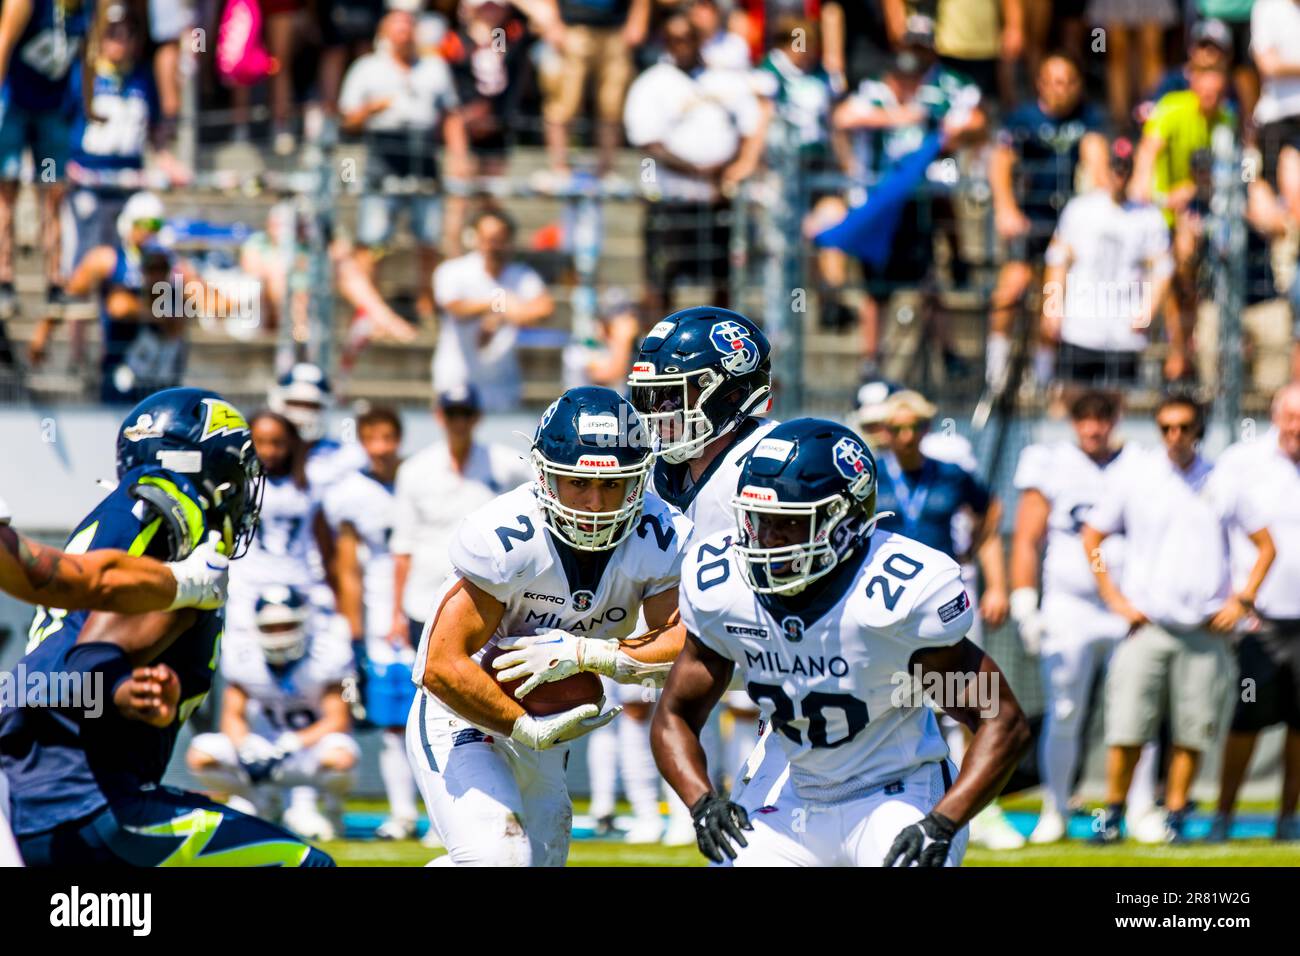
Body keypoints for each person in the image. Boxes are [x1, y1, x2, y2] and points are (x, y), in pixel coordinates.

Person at [651, 417, 1031, 866]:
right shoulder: (725, 588)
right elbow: (674, 716)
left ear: (844, 520)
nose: (766, 542)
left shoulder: (893, 599)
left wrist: (943, 821)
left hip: (894, 791)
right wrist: (702, 803)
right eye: (757, 521)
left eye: (787, 523)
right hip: (791, 785)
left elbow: (1000, 721)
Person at [0, 387, 332, 866]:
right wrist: (122, 688)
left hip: (32, 785)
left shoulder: (113, 517)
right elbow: (90, 655)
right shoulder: (181, 519)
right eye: (237, 473)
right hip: (84, 797)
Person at [404, 386, 693, 865]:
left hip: (544, 726)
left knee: (535, 861)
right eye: (578, 483)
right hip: (460, 714)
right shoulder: (506, 536)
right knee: (502, 855)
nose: (595, 503)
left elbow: (683, 641)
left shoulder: (660, 535)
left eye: (612, 484)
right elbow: (441, 665)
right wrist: (522, 726)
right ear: (543, 476)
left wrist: (593, 655)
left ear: (639, 480)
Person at [1083, 394, 1275, 842]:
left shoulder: (1222, 481)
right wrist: (1111, 594)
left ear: (1198, 429)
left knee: (1193, 727)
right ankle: (1113, 814)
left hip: (1204, 630)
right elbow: (1092, 538)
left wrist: (1242, 600)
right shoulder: (1138, 478)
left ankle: (1175, 814)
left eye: (1184, 427)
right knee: (1127, 724)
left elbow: (1267, 546)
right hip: (1146, 625)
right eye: (1167, 427)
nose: (1175, 435)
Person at [627, 305, 778, 843]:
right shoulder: (654, 470)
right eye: (653, 397)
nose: (660, 411)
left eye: (677, 394)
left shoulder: (768, 466)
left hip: (792, 678)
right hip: (704, 661)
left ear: (730, 391)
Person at [1009, 390, 1160, 843]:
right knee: (1065, 709)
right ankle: (1054, 807)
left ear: (1118, 417)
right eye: (1084, 419)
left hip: (1127, 608)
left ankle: (1140, 807)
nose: (1093, 428)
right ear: (1072, 422)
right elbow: (1026, 537)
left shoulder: (1141, 464)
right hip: (1069, 607)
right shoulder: (1050, 463)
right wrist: (1024, 601)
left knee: (1137, 711)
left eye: (1102, 418)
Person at [187, 585, 358, 842]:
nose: (279, 635)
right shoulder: (243, 657)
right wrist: (245, 746)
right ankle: (259, 803)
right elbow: (231, 715)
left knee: (341, 755)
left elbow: (339, 719)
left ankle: (332, 810)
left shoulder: (328, 654)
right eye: (270, 627)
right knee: (201, 752)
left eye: (286, 625)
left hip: (307, 752)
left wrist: (294, 743)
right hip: (262, 747)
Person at [326, 405, 425, 840]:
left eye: (389, 437)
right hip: (382, 616)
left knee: (436, 717)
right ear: (363, 442)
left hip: (426, 605)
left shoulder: (420, 478)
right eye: (374, 438)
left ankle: (440, 814)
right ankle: (402, 813)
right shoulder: (351, 493)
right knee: (391, 723)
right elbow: (348, 567)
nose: (382, 448)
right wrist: (356, 629)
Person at [1207, 383, 1300, 842]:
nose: (1297, 427)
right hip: (1258, 624)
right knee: (1246, 717)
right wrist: (1234, 596)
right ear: (1275, 415)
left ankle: (1288, 818)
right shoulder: (1242, 462)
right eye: (1291, 416)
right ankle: (1223, 814)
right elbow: (1211, 530)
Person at [623, 13, 764, 316]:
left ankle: (719, 348)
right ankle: (661, 349)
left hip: (718, 201)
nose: (682, 46)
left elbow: (750, 127)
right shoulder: (652, 83)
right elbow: (648, 142)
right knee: (661, 280)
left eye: (688, 38)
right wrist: (699, 171)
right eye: (674, 40)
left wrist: (731, 167)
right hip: (671, 202)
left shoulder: (725, 80)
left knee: (725, 278)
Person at [987, 51, 1108, 391]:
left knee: (1053, 298)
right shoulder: (1021, 118)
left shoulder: (1090, 118)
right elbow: (1000, 162)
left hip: (1069, 226)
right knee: (1012, 287)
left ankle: (1043, 375)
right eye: (1055, 81)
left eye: (1069, 81)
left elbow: (1096, 156)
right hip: (1030, 218)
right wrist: (1006, 208)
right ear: (1040, 84)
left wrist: (1096, 202)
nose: (1062, 88)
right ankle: (995, 369)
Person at [339, 7, 468, 321]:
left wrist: (459, 155)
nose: (403, 34)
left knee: (429, 235)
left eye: (408, 27)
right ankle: (369, 306)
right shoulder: (366, 68)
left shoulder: (434, 67)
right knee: (374, 236)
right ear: (384, 33)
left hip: (423, 152)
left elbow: (450, 115)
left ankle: (428, 301)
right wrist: (371, 109)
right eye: (396, 28)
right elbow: (348, 120)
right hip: (384, 153)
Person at [1130, 61, 1235, 381]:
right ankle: (1176, 346)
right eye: (1205, 88)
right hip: (1161, 214)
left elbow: (1221, 174)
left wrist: (1188, 191)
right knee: (1177, 267)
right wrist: (1143, 185)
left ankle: (1178, 346)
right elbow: (1149, 151)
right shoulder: (1173, 108)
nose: (1210, 96)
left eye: (1217, 91)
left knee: (1183, 263)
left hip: (1199, 214)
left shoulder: (1226, 119)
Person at [1043, 137, 1174, 387]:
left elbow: (1162, 269)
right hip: (1080, 326)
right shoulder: (1079, 209)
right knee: (1073, 399)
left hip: (1124, 332)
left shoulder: (1149, 217)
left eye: (1125, 167)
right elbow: (1057, 260)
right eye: (1115, 166)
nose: (1119, 174)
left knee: (1118, 403)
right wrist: (1052, 308)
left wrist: (1146, 312)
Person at [0, 0, 87, 334]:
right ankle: (5, 280)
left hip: (51, 115)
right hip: (15, 111)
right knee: (7, 190)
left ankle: (54, 282)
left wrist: (89, 108)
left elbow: (88, 55)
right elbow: (4, 42)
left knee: (51, 192)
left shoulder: (86, 8)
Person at [431, 207, 554, 413]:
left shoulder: (521, 275)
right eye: (487, 238)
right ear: (474, 238)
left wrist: (499, 315)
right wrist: (499, 304)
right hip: (456, 381)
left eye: (499, 239)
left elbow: (544, 309)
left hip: (502, 385)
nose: (493, 246)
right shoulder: (453, 271)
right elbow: (454, 307)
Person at [536, 0, 649, 182]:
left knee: (612, 105)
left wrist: (638, 20)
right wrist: (553, 23)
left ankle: (608, 171)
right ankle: (558, 168)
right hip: (571, 27)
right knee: (564, 102)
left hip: (615, 30)